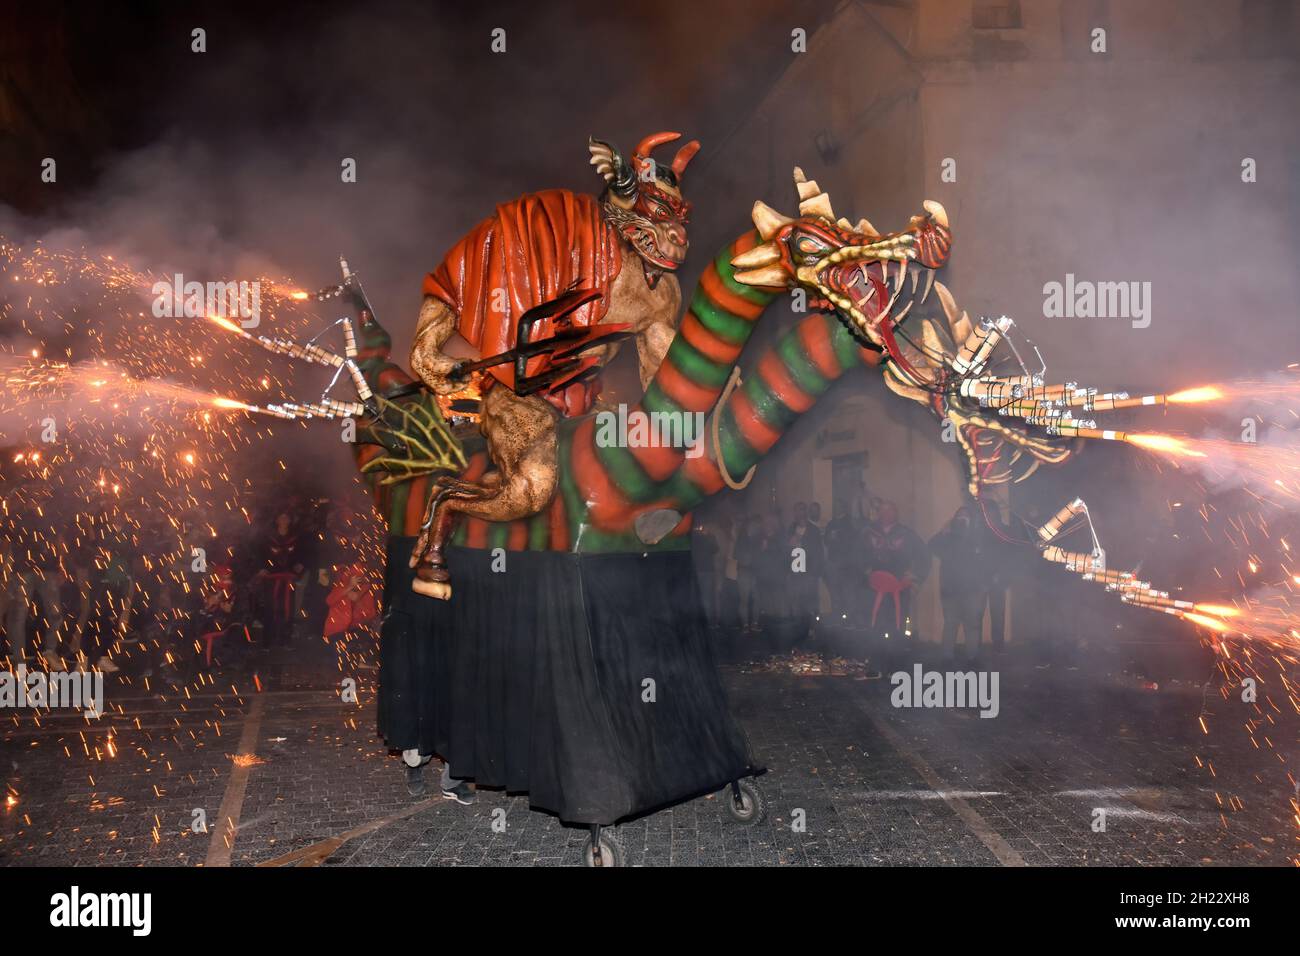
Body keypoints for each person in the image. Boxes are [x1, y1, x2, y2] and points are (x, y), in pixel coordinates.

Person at [929, 505, 994, 662]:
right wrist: (943, 531)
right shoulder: (948, 536)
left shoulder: (977, 535)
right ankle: (946, 656)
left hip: (973, 589)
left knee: (972, 624)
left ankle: (972, 656)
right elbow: (932, 547)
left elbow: (986, 559)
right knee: (950, 623)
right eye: (959, 516)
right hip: (950, 589)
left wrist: (984, 584)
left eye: (965, 516)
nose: (962, 519)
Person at [864, 501, 928, 640]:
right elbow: (857, 554)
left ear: (896, 513)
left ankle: (896, 656)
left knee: (897, 627)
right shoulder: (868, 532)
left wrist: (914, 576)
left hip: (899, 587)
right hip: (874, 588)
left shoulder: (906, 533)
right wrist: (864, 571)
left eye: (890, 510)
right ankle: (876, 657)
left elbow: (923, 555)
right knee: (875, 626)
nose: (886, 514)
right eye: (883, 510)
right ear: (878, 513)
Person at [788, 501, 824, 640]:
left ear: (805, 512)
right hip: (795, 572)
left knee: (811, 602)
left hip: (809, 573)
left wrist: (815, 573)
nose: (799, 514)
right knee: (797, 602)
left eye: (801, 510)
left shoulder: (813, 530)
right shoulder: (791, 528)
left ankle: (814, 629)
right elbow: (785, 551)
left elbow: (818, 552)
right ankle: (799, 631)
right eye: (796, 511)